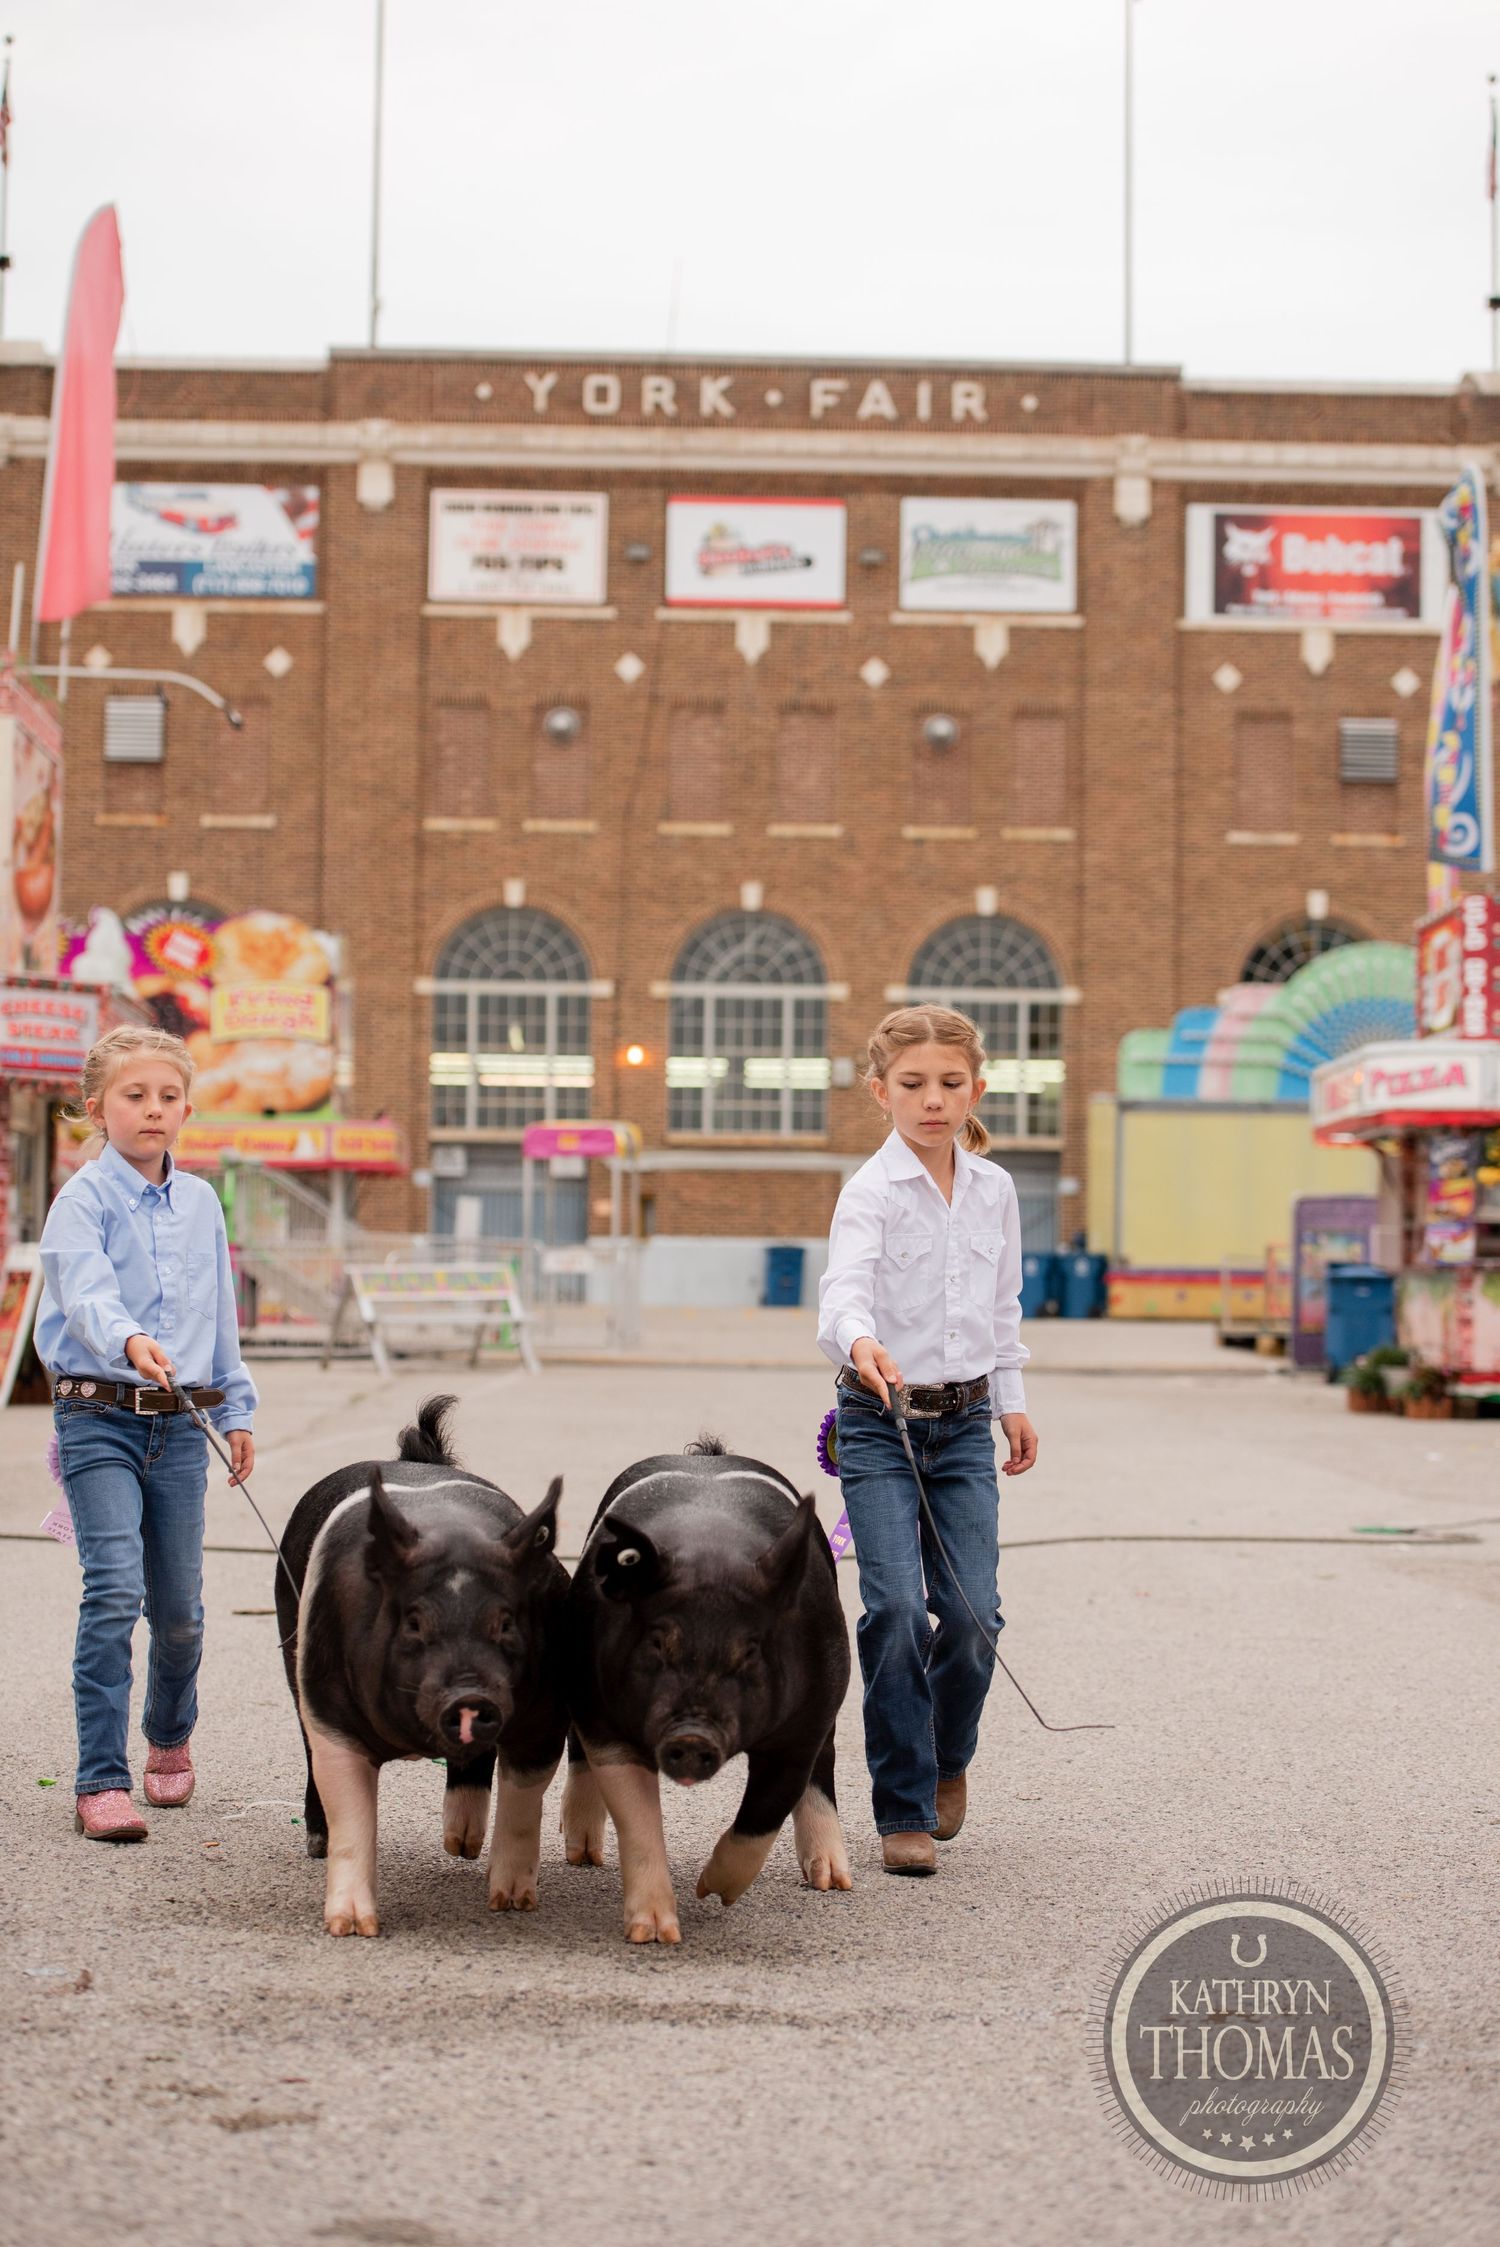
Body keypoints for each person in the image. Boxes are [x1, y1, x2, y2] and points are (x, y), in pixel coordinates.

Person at [817, 1005, 1038, 1875]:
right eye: (912, 1084)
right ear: (881, 1091)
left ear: (976, 1088)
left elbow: (1003, 1308)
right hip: (878, 1423)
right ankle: (903, 1807)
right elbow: (844, 1291)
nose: (933, 1100)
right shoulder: (868, 1192)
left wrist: (1012, 1399)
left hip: (968, 1425)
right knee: (899, 1612)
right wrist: (860, 1343)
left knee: (974, 1615)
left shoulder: (997, 1190)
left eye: (951, 1084)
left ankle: (949, 1758)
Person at [37, 1024, 258, 1842]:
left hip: (180, 1427)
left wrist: (235, 1409)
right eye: (135, 1096)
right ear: (97, 1108)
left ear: (188, 1108)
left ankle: (169, 1735)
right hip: (97, 1417)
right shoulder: (81, 1200)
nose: (153, 1110)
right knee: (114, 1593)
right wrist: (129, 1338)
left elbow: (219, 1316)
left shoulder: (201, 1202)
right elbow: (85, 1292)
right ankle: (101, 1779)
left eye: (168, 1097)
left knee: (181, 1612)